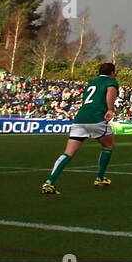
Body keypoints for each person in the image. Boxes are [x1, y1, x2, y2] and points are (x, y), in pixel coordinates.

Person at [42, 63, 119, 194]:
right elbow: (110, 92)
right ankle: (99, 178)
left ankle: (49, 182)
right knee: (108, 145)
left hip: (80, 118)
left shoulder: (92, 82)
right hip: (96, 118)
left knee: (68, 153)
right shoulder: (111, 82)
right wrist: (110, 109)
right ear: (112, 72)